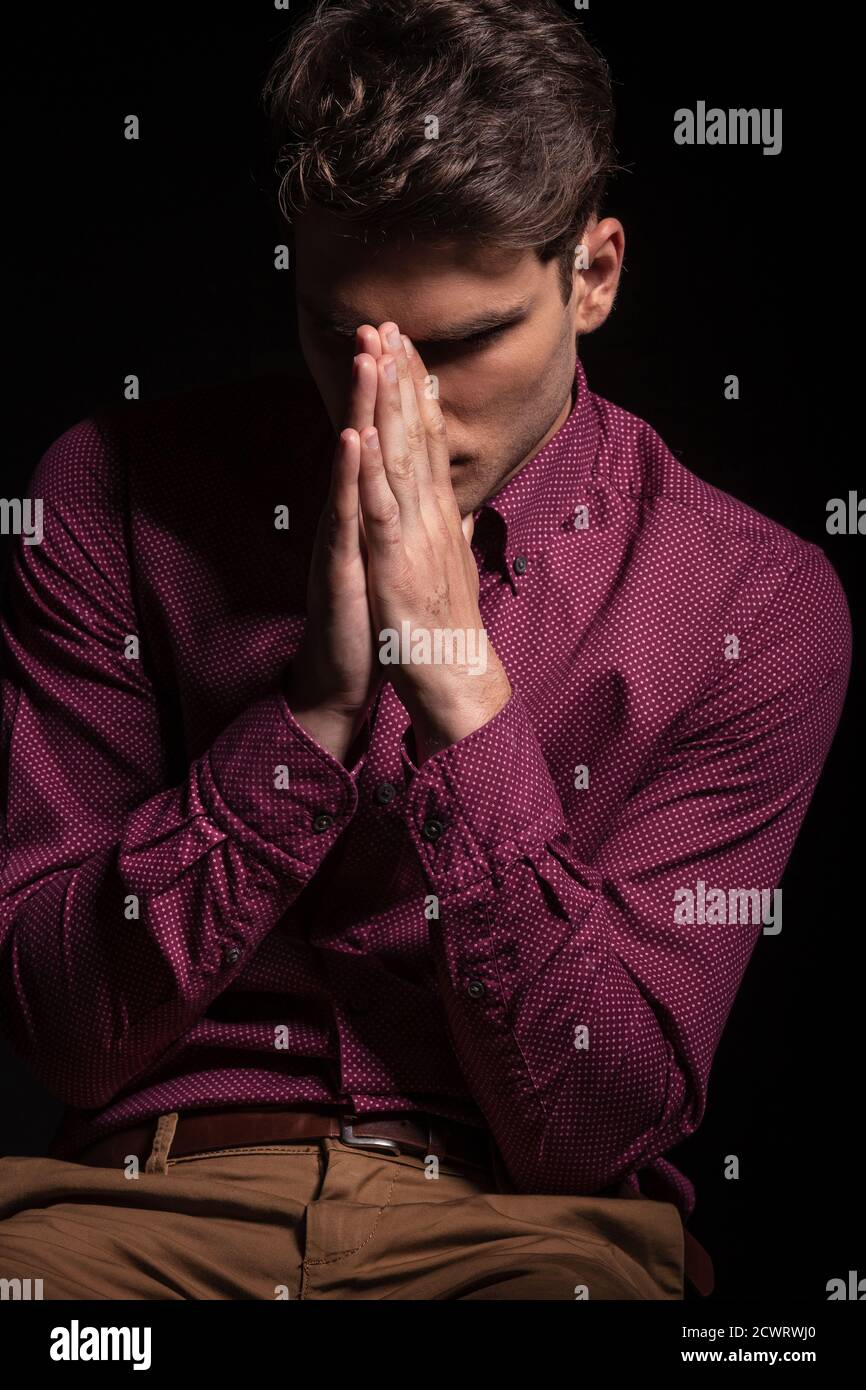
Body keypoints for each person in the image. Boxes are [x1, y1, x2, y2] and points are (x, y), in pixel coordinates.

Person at [0, 0, 850, 1301]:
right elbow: (62, 1031)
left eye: (462, 345)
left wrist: (463, 703)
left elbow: (592, 1124)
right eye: (342, 339)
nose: (394, 406)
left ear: (594, 274)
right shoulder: (108, 491)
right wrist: (312, 719)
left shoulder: (757, 597)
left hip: (527, 1232)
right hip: (130, 1214)